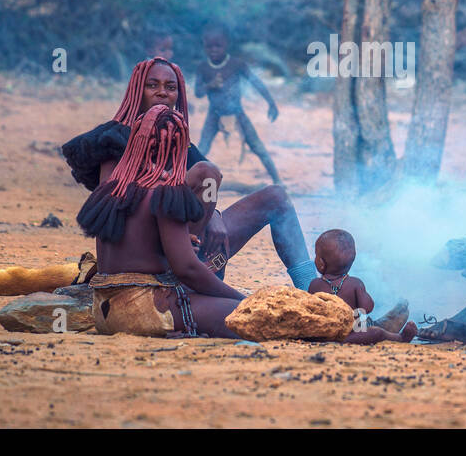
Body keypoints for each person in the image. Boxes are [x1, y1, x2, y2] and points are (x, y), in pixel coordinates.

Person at [61, 57, 317, 291]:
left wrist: (214, 215)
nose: (162, 92)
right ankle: (185, 277)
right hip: (151, 257)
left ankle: (310, 289)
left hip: (193, 245)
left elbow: (209, 178)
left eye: (170, 87)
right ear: (138, 92)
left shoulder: (179, 139)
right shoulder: (115, 140)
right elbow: (111, 213)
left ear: (178, 95)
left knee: (276, 198)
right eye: (153, 85)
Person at [76, 105, 243, 338]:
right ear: (177, 147)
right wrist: (243, 299)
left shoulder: (111, 189)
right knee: (251, 315)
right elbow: (188, 270)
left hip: (104, 313)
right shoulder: (164, 194)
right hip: (143, 311)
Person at [194, 25, 283, 186]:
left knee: (257, 147)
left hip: (237, 112)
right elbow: (198, 93)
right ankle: (185, 182)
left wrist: (271, 102)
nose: (213, 49)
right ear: (204, 45)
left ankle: (278, 181)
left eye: (218, 45)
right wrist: (210, 85)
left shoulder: (236, 64)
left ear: (227, 44)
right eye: (209, 46)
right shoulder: (203, 68)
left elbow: (256, 82)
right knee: (202, 149)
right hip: (214, 114)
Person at [307, 229, 416, 344]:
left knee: (365, 328)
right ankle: (401, 338)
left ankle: (388, 329)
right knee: (376, 332)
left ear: (321, 263)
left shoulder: (314, 284)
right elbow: (368, 307)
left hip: (320, 334)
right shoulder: (355, 283)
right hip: (349, 335)